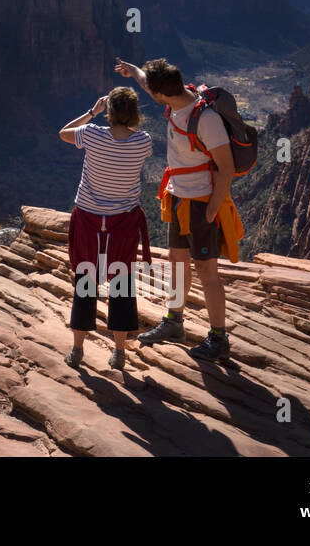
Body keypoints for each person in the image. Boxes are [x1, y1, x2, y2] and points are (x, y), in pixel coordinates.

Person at [113, 56, 235, 361]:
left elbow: (227, 167)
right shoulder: (176, 99)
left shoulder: (204, 119)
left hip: (200, 203)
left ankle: (219, 338)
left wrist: (213, 208)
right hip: (178, 198)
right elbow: (147, 81)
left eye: (152, 93)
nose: (150, 96)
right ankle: (174, 322)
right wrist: (133, 71)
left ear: (161, 94)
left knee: (207, 271)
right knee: (177, 262)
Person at [58, 86, 152, 371]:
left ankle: (77, 350)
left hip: (88, 219)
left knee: (85, 280)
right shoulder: (143, 141)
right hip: (122, 223)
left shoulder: (92, 133)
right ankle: (119, 351)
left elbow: (63, 132)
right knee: (121, 283)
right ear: (135, 114)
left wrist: (92, 111)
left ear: (109, 111)